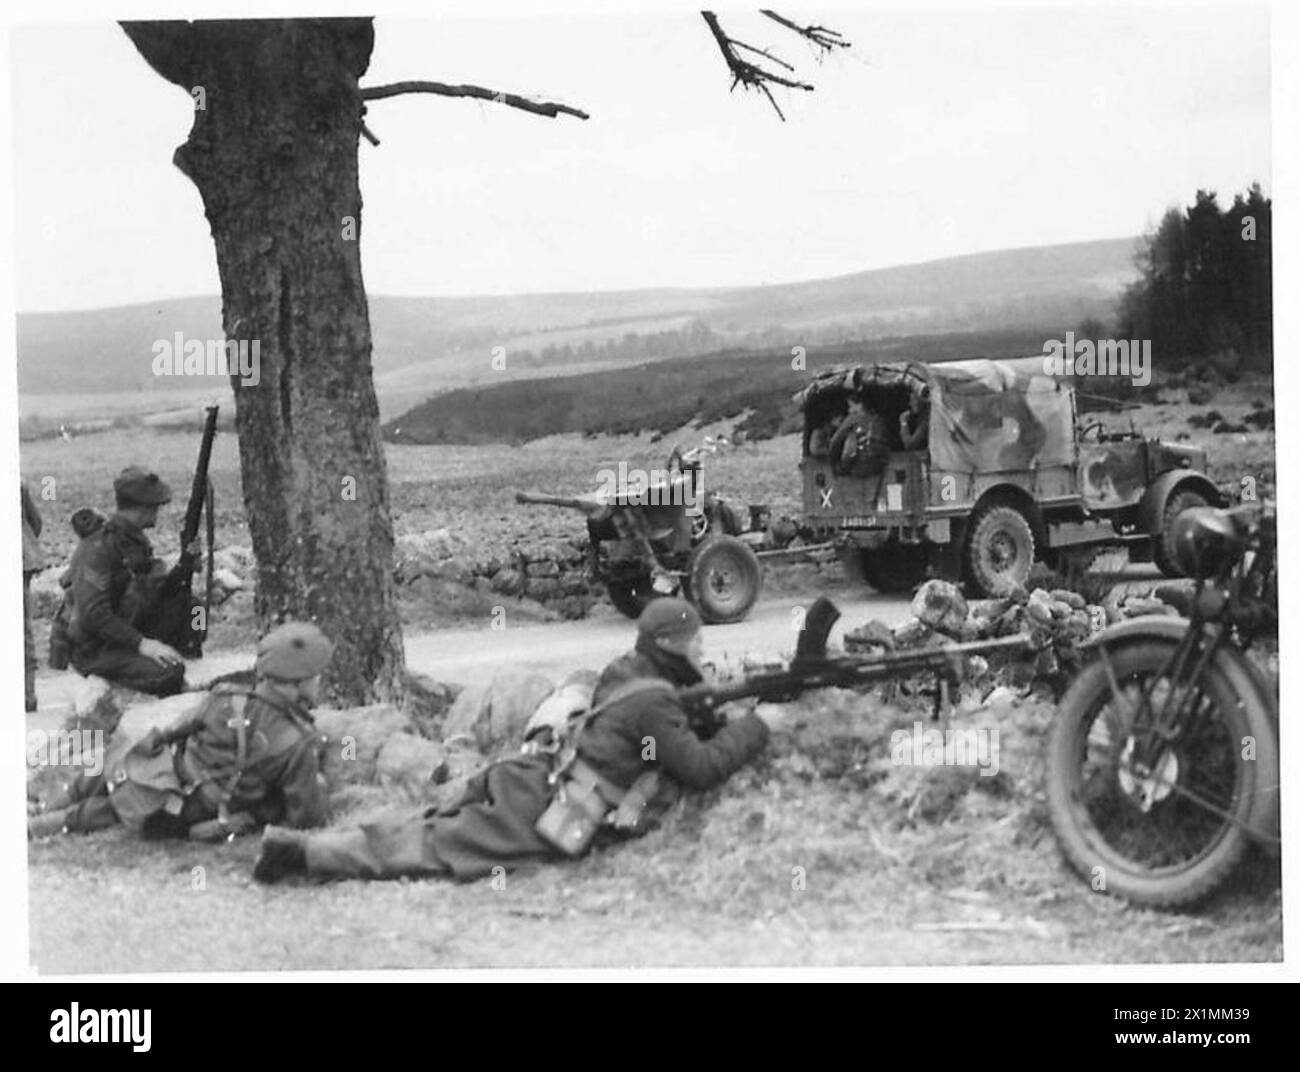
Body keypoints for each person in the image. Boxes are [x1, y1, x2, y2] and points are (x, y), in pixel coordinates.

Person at [252, 599, 786, 883]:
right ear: (673, 645)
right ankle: (301, 856)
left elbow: (660, 717)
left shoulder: (628, 671)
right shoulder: (655, 700)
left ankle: (314, 848)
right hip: (544, 806)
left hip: (525, 776)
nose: (703, 651)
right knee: (430, 848)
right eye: (697, 642)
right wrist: (762, 724)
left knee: (426, 824)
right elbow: (700, 767)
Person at [28, 622, 333, 841]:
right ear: (299, 680)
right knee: (115, 808)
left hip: (167, 772)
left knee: (114, 772)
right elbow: (305, 818)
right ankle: (41, 824)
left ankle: (43, 808)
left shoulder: (226, 697)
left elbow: (174, 729)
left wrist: (148, 748)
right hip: (188, 805)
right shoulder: (296, 743)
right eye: (316, 675)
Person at [61, 466, 191, 699]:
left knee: (190, 605)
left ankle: (151, 667)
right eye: (156, 506)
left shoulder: (131, 540)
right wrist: (143, 644)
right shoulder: (99, 548)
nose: (158, 511)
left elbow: (152, 592)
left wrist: (185, 566)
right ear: (143, 506)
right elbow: (94, 614)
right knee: (171, 672)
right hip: (94, 649)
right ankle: (107, 688)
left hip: (121, 634)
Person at [21, 481, 45, 712]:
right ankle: (28, 695)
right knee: (23, 630)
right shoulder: (18, 483)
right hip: (21, 560)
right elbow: (35, 522)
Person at [828, 397, 892, 477]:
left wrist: (833, 465)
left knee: (851, 437)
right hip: (880, 467)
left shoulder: (853, 418)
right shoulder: (879, 420)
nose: (849, 410)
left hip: (858, 466)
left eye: (851, 406)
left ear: (860, 405)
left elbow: (835, 442)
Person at [899, 386, 931, 451]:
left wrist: (903, 422)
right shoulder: (924, 417)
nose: (910, 404)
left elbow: (909, 445)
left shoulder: (926, 420)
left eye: (913, 399)